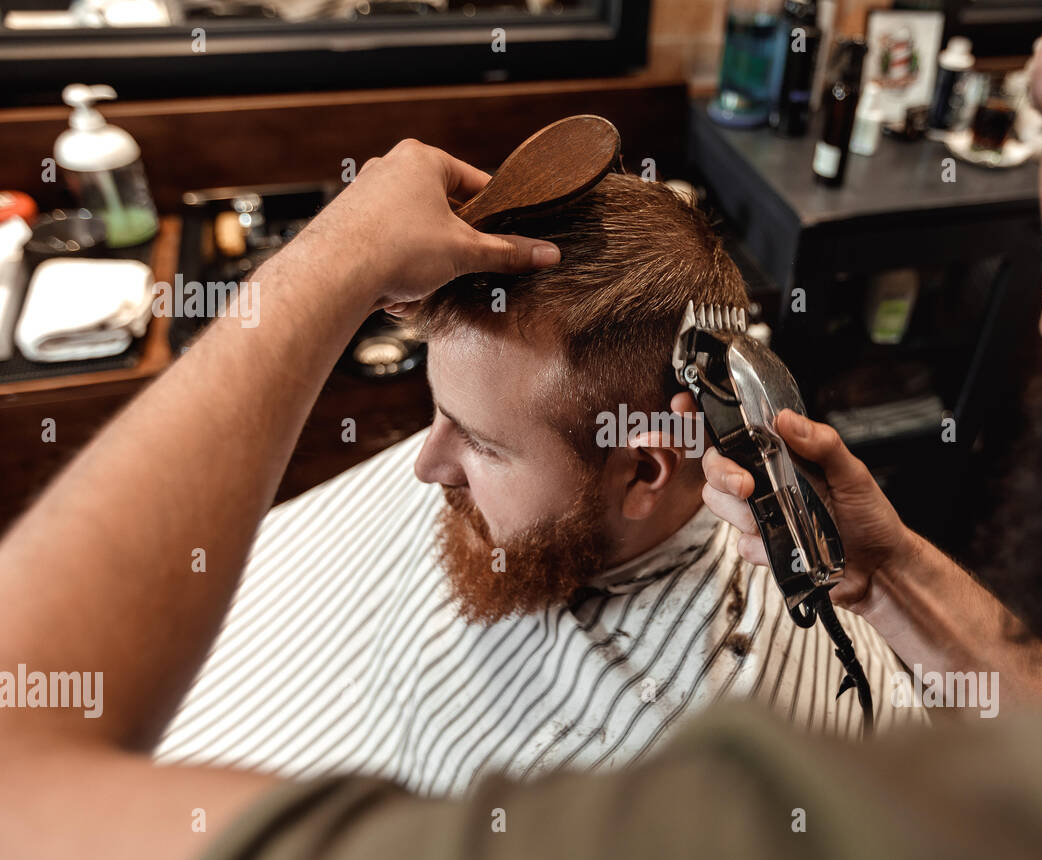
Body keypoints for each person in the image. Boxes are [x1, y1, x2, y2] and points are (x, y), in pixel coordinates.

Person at [3, 0, 1042, 860]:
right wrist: (893, 568)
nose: (420, 466)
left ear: (643, 468)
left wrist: (321, 267)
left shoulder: (743, 807)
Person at [150, 173, 926, 801]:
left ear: (644, 471)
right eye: (438, 415)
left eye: (482, 445)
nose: (425, 467)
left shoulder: (717, 759)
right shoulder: (513, 467)